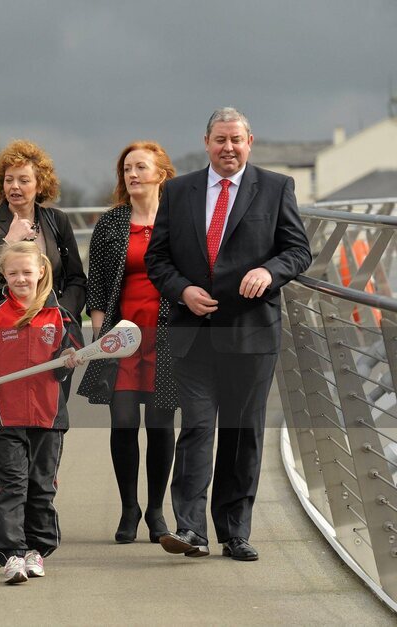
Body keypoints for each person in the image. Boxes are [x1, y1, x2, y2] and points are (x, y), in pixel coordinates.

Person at [146, 107, 311, 561]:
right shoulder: (177, 191)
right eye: (220, 139)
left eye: (236, 139)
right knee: (197, 427)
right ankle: (190, 529)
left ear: (249, 142)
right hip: (193, 332)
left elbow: (298, 250)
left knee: (242, 434)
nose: (228, 147)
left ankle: (234, 532)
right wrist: (182, 290)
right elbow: (158, 259)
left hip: (251, 333)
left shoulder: (276, 187)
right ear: (206, 143)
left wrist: (269, 271)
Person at [0, 241, 82, 584]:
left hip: (48, 418)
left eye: (27, 272)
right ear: (4, 275)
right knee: (12, 486)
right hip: (6, 417)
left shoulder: (61, 316)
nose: (21, 278)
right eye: (13, 273)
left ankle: (36, 550)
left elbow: (72, 354)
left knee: (41, 487)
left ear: (41, 271)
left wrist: (68, 358)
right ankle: (11, 553)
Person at [77, 141, 178, 544]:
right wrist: (102, 336)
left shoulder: (178, 221)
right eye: (126, 169)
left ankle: (156, 510)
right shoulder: (112, 223)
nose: (132, 174)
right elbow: (98, 285)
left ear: (160, 174)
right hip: (122, 337)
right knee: (123, 422)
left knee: (160, 424)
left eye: (140, 167)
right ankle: (129, 509)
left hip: (167, 336)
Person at [0, 139, 87, 404]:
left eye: (23, 180)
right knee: (10, 416)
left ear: (40, 184)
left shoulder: (57, 221)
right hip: (7, 339)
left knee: (53, 414)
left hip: (52, 338)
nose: (14, 186)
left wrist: (59, 315)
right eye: (8, 180)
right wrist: (7, 242)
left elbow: (76, 280)